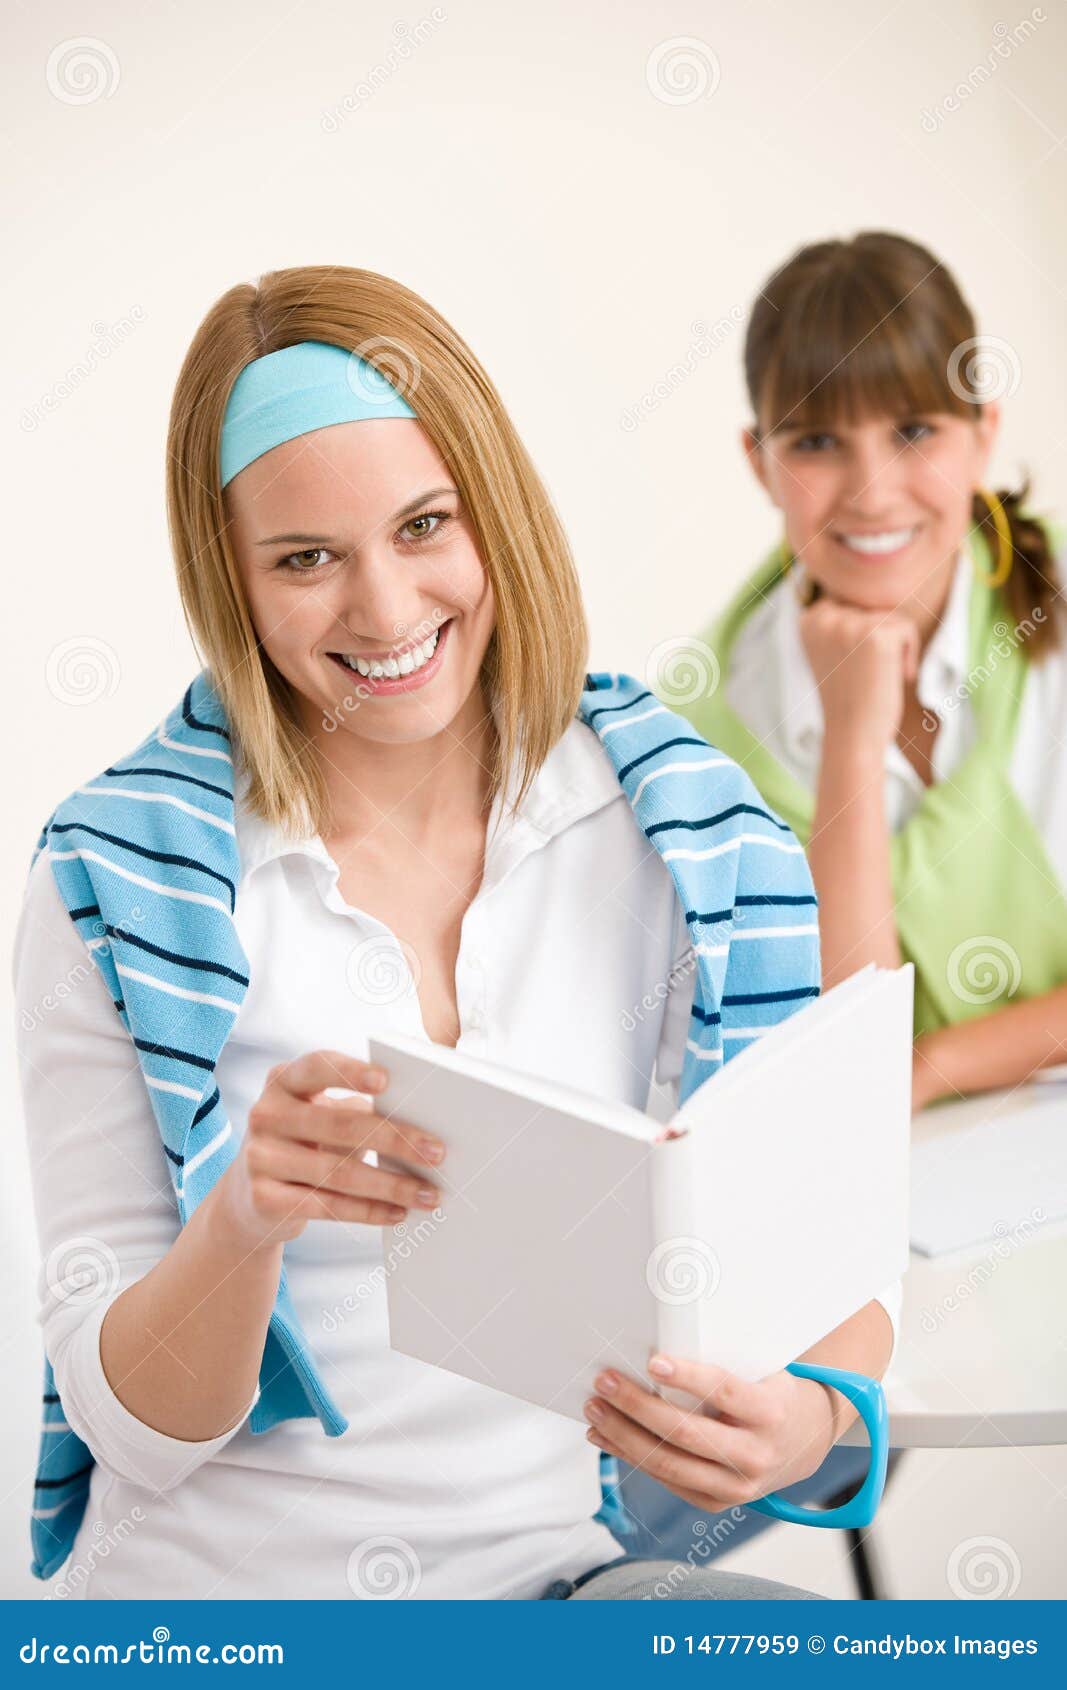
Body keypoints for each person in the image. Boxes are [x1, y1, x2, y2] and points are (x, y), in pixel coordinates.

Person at [15, 266, 896, 1601]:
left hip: (545, 1586)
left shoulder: (678, 830)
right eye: (304, 559)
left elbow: (823, 1282)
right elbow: (134, 1430)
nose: (381, 610)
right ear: (233, 584)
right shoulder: (115, 876)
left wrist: (809, 1417)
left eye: (423, 525)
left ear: (493, 510)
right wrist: (242, 1220)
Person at [673, 230, 1067, 1112]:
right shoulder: (702, 730)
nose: (872, 491)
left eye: (914, 430)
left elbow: (893, 1072)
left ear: (982, 435)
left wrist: (935, 1066)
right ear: (758, 463)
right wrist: (851, 733)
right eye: (816, 441)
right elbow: (844, 1063)